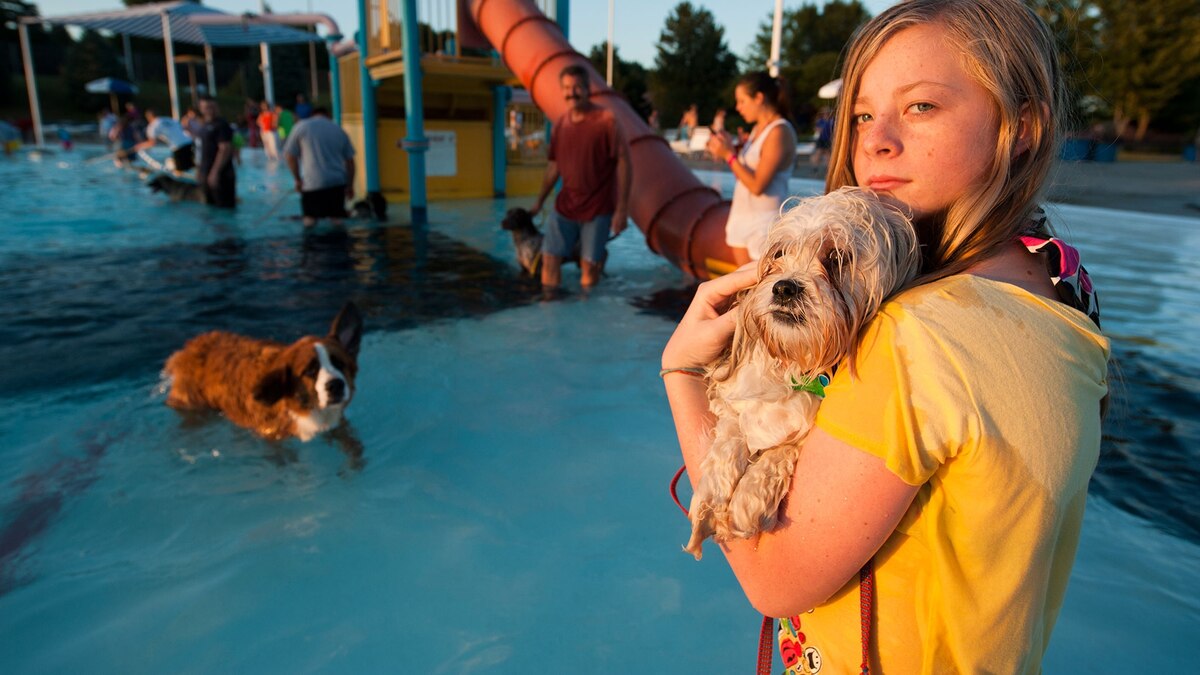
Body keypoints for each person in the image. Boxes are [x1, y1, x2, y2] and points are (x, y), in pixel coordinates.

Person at [661, 1, 1110, 672]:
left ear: (1022, 129)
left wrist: (683, 376)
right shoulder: (1064, 296)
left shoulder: (918, 338)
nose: (875, 141)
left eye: (922, 107)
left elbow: (775, 575)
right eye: (864, 114)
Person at [530, 64, 631, 292]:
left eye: (577, 87)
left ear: (587, 89)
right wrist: (539, 201)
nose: (571, 92)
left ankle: (586, 312)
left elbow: (625, 163)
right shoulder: (560, 125)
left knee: (589, 266)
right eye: (566, 88)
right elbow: (553, 167)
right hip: (565, 206)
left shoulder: (606, 120)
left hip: (598, 209)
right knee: (549, 258)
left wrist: (622, 210)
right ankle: (551, 311)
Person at [705, 72, 797, 264]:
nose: (738, 108)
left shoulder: (779, 131)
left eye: (742, 101)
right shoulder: (757, 130)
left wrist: (728, 155)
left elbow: (757, 185)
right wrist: (732, 150)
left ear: (759, 98)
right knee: (744, 292)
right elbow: (745, 176)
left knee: (760, 288)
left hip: (764, 225)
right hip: (742, 218)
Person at [282, 106, 356, 227]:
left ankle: (310, 243)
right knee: (337, 219)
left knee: (310, 220)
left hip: (312, 183)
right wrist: (350, 185)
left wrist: (297, 179)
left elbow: (290, 156)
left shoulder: (301, 127)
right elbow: (350, 162)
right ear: (328, 115)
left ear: (312, 115)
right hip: (337, 182)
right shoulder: (339, 130)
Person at [197, 97, 237, 209]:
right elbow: (202, 150)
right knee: (210, 207)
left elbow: (225, 148)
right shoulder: (204, 125)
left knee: (224, 208)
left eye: (212, 107)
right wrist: (200, 170)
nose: (210, 110)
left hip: (221, 174)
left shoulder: (222, 125)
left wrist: (215, 172)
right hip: (206, 171)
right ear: (201, 109)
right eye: (207, 107)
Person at [133, 108, 196, 174]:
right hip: (189, 142)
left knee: (180, 171)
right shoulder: (169, 119)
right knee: (191, 167)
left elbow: (152, 143)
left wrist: (139, 146)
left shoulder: (153, 126)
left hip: (178, 147)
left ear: (149, 117)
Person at [810, 107, 833, 173]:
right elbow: (816, 128)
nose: (826, 114)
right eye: (825, 113)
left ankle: (827, 167)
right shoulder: (820, 121)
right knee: (819, 152)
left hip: (828, 139)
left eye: (827, 113)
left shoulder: (831, 121)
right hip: (821, 139)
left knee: (827, 153)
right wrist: (819, 129)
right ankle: (815, 167)